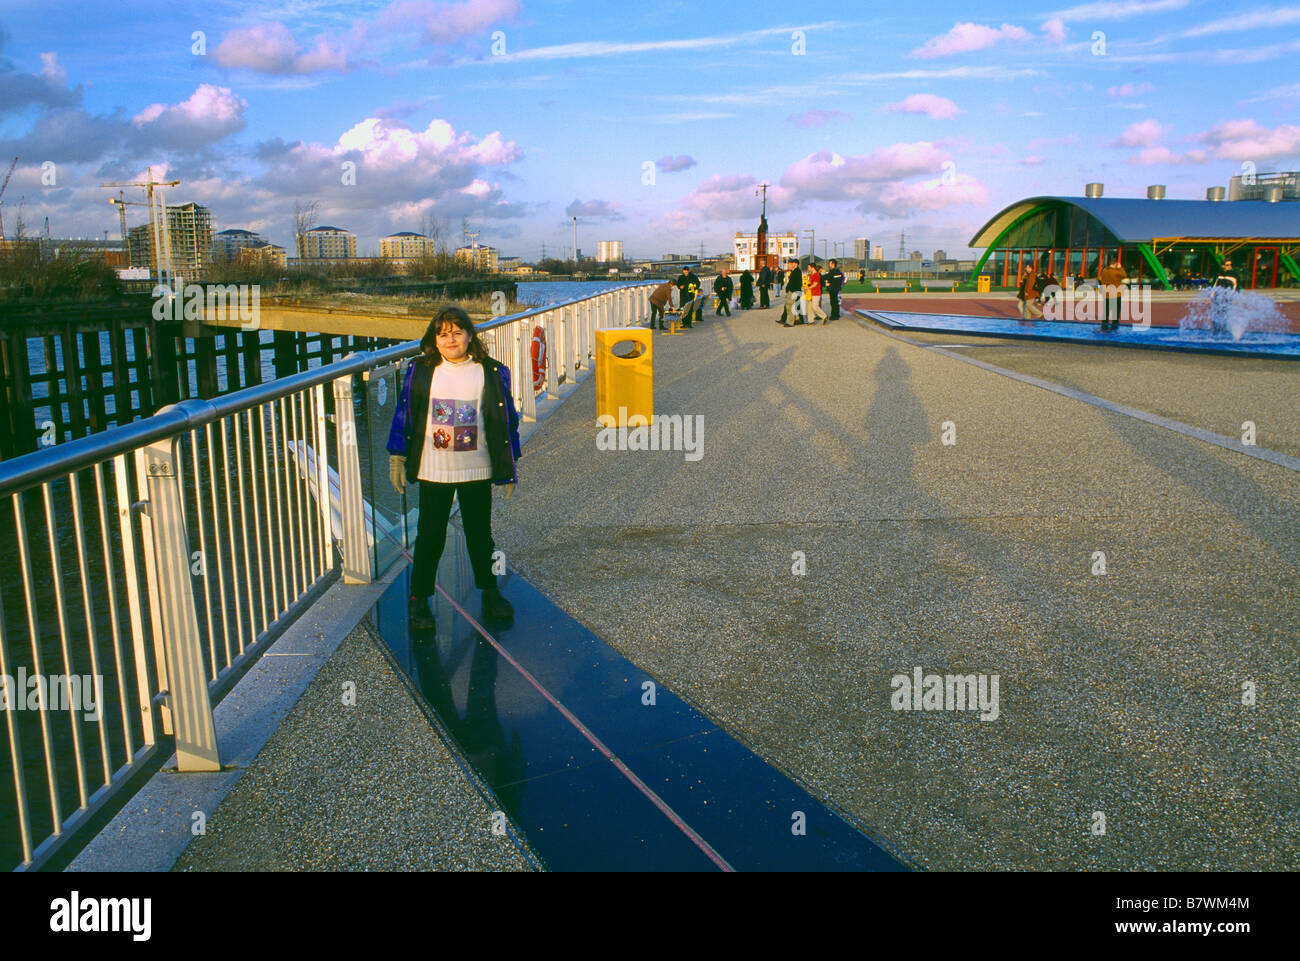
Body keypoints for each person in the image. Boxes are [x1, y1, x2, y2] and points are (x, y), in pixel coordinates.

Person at [388, 306, 521, 631]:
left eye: (457, 332)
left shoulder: (490, 371)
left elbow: (507, 422)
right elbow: (404, 413)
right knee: (430, 536)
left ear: (470, 335)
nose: (451, 339)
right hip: (435, 470)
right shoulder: (420, 371)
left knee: (480, 536)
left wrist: (510, 465)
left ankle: (489, 594)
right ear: (434, 339)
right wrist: (397, 456)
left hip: (477, 467)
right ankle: (419, 600)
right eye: (443, 333)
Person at [1098, 257, 1128, 331]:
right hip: (1116, 293)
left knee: (1106, 310)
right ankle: (1114, 325)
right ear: (1115, 264)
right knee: (1116, 311)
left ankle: (1104, 325)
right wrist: (1120, 268)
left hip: (1107, 293)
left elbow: (1099, 279)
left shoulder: (1104, 270)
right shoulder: (1116, 272)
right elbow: (1124, 275)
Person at [780, 257, 802, 326]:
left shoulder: (797, 271)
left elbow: (795, 282)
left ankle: (790, 322)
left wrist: (791, 289)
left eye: (792, 263)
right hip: (793, 290)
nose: (791, 264)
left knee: (790, 306)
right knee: (790, 306)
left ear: (795, 264)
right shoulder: (795, 271)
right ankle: (794, 319)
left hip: (794, 291)